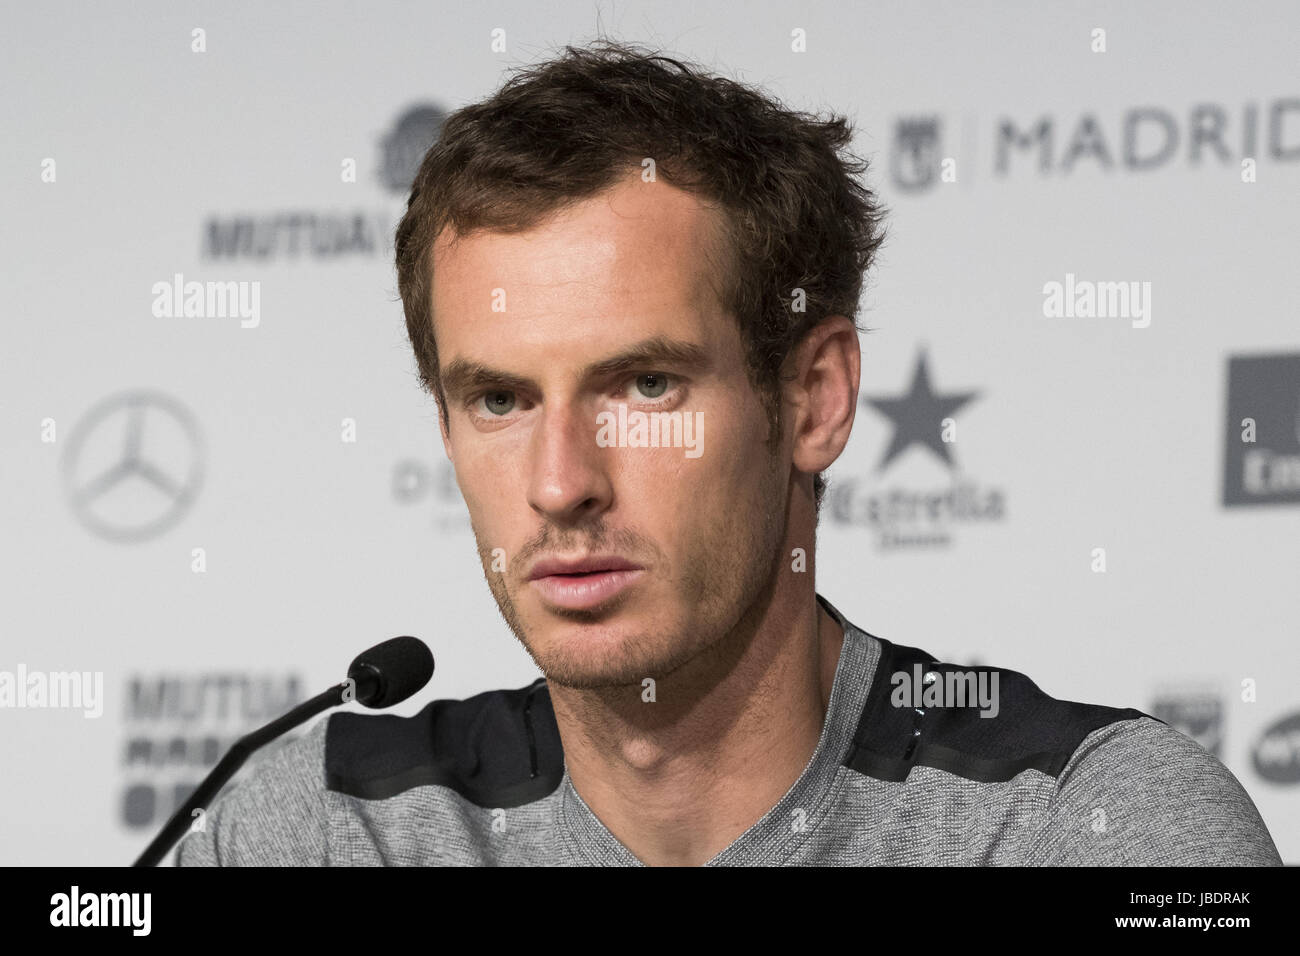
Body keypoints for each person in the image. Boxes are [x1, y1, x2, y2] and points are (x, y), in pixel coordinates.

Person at [178, 40, 1281, 867]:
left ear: (813, 400)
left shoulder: (1088, 827)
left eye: (645, 384)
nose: (560, 482)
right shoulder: (328, 830)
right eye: (501, 397)